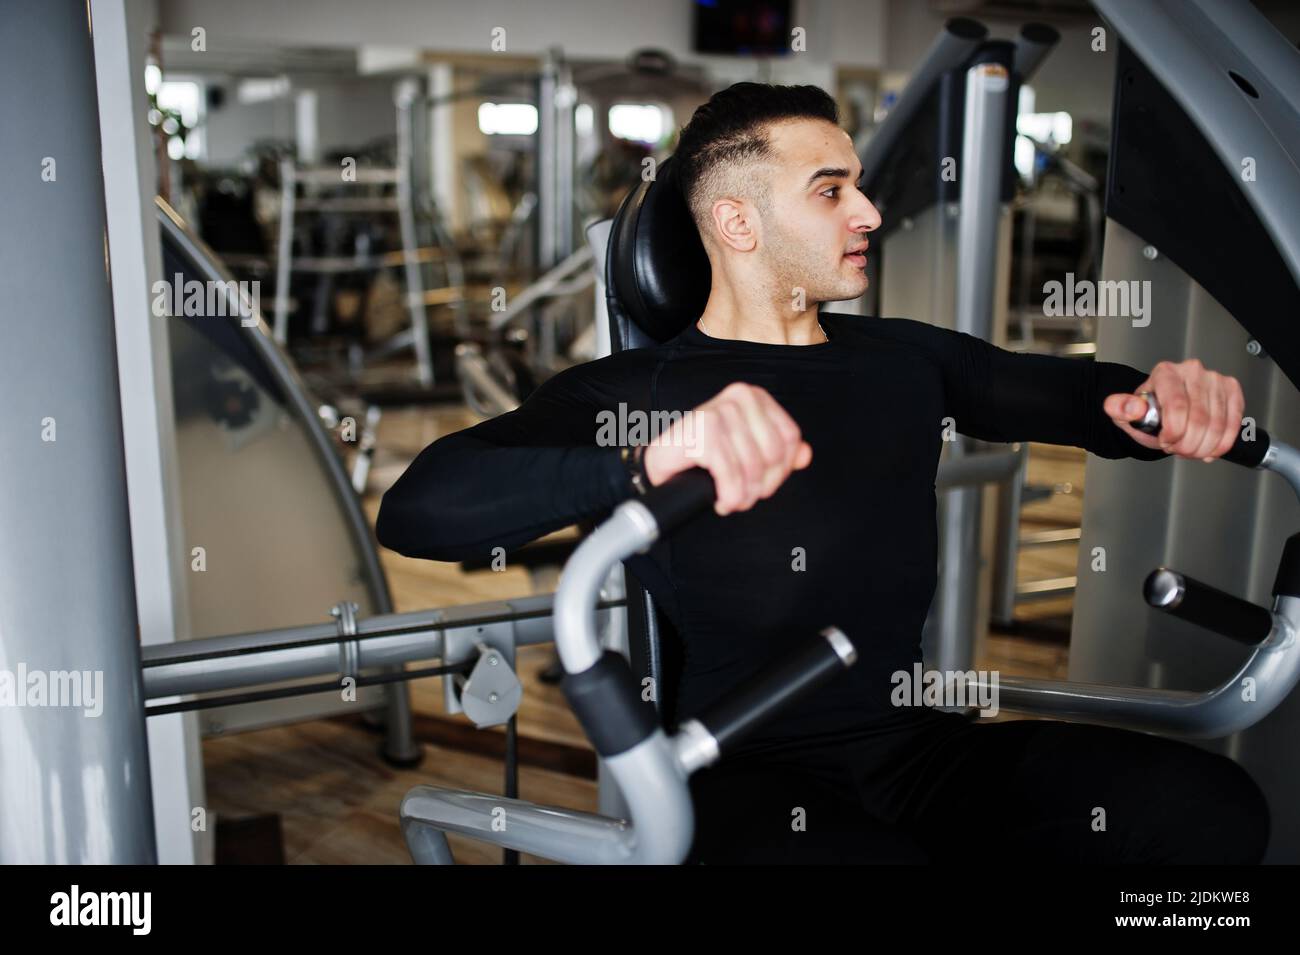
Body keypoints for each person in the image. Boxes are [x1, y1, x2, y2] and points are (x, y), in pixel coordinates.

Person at [377, 83, 1269, 864]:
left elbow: (1072, 396)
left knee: (1210, 813)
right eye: (832, 190)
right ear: (738, 221)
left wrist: (1160, 398)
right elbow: (420, 508)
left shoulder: (903, 359)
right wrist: (634, 464)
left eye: (860, 185)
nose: (869, 213)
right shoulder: (634, 391)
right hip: (737, 772)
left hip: (915, 752)